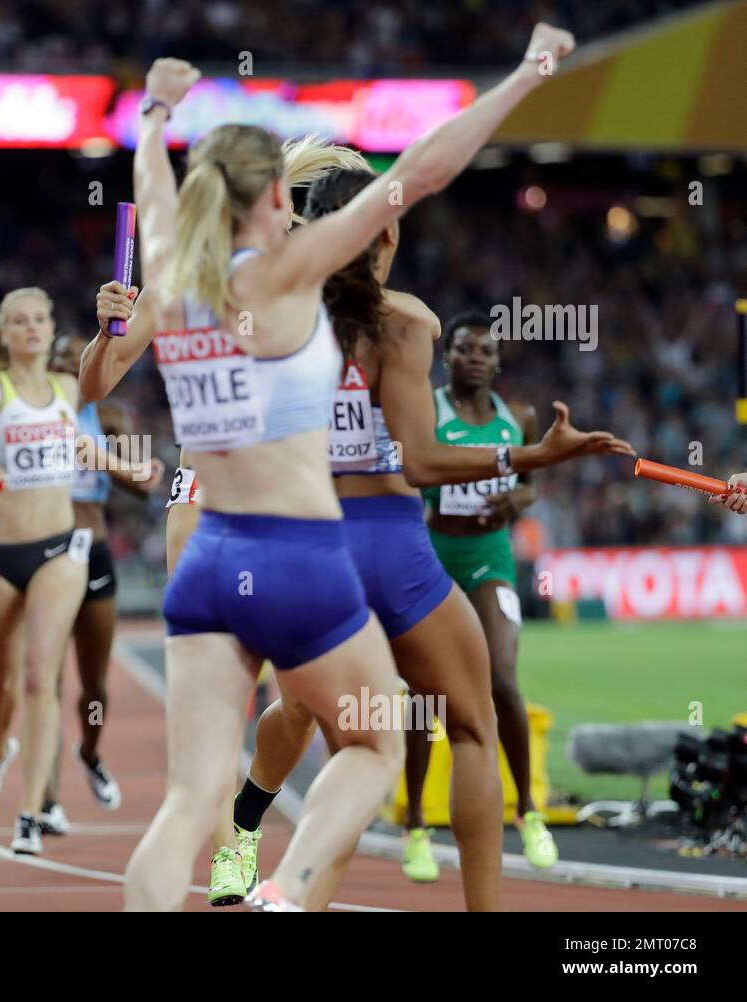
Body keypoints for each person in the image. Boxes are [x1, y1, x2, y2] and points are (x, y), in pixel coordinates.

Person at [84, 25, 585, 911]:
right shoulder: (294, 277)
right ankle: (288, 893)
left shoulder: (168, 274)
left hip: (205, 558)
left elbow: (150, 187)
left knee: (190, 800)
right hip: (299, 549)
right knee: (379, 742)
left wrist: (157, 112)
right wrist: (527, 74)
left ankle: (224, 868)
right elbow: (420, 174)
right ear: (277, 197)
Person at [200, 170, 630, 909]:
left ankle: (286, 883)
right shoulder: (405, 321)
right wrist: (533, 456)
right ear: (389, 231)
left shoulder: (259, 315)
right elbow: (423, 458)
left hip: (298, 548)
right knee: (470, 723)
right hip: (389, 545)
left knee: (349, 746)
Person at [0, 289, 158, 854]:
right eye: (20, 322)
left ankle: (31, 811)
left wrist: (130, 466)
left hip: (62, 548)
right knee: (2, 683)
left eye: (40, 319)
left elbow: (80, 447)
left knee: (40, 678)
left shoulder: (68, 390)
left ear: (51, 325)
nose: (31, 329)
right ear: (4, 334)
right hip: (3, 553)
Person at [419, 311, 559, 873]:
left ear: (498, 362)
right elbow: (411, 470)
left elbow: (529, 485)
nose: (475, 358)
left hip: (490, 559)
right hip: (432, 558)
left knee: (502, 680)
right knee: (423, 695)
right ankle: (413, 830)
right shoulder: (427, 411)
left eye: (485, 351)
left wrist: (515, 501)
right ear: (446, 356)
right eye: (464, 349)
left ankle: (527, 811)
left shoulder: (518, 417)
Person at [34, 333, 164, 832]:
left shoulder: (108, 419)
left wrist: (145, 474)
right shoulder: (34, 414)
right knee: (46, 680)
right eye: (60, 359)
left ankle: (89, 752)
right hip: (46, 551)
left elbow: (136, 482)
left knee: (94, 685)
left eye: (76, 359)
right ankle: (45, 800)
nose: (69, 368)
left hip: (95, 552)